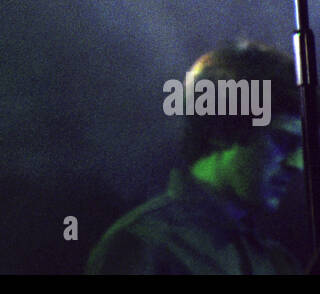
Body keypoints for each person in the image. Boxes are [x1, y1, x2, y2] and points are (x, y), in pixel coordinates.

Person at [87, 40, 304, 274]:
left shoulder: (276, 262)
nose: (297, 163)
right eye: (283, 141)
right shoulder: (144, 243)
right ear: (221, 130)